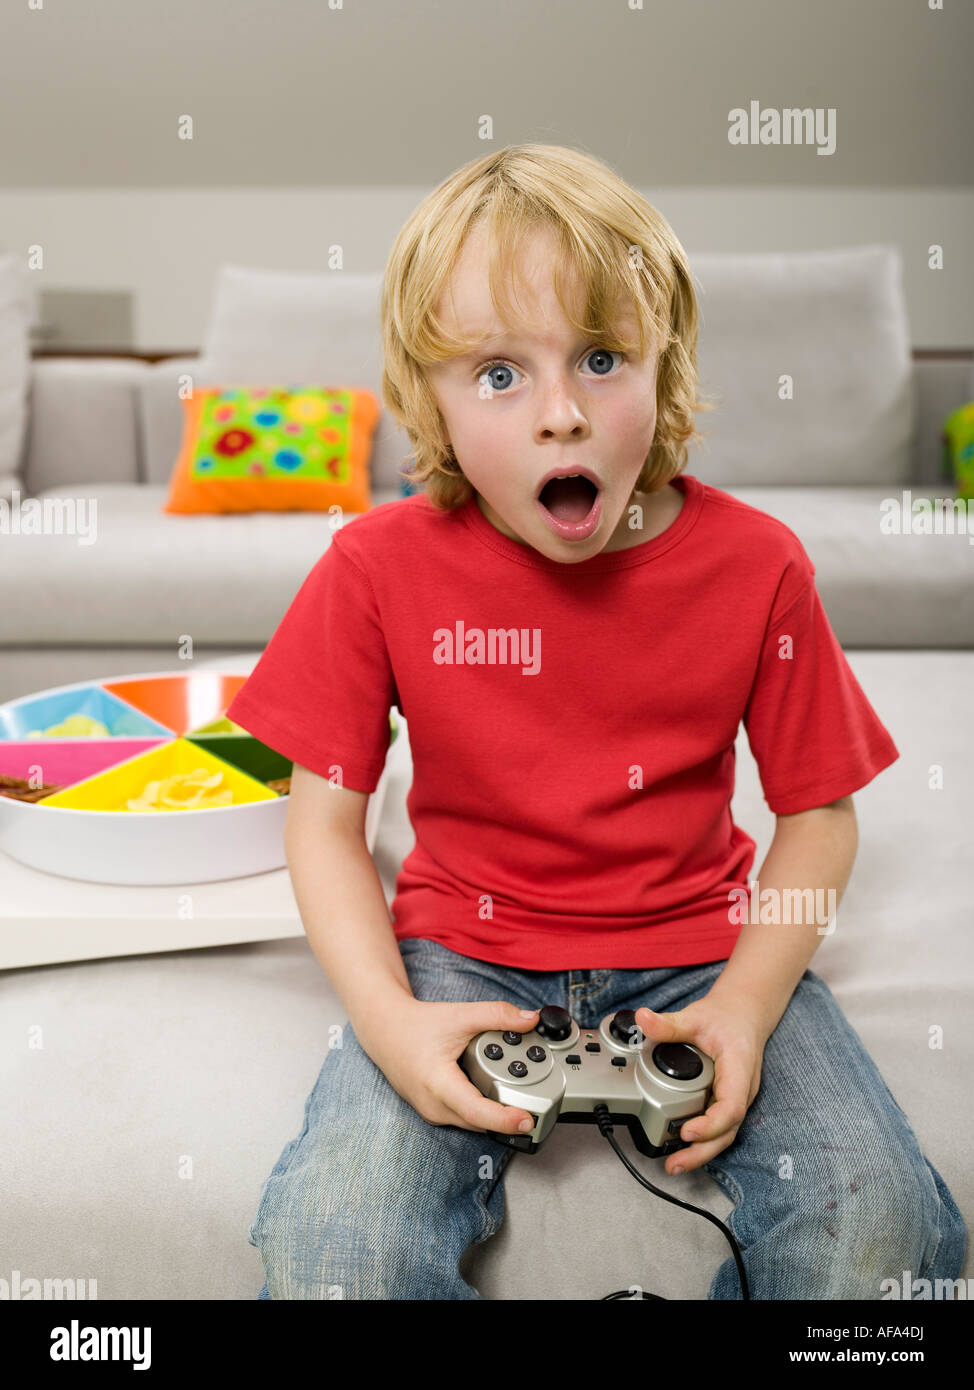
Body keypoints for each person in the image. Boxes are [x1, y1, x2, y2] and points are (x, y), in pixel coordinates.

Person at [226, 144, 966, 1300]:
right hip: (454, 950)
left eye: (602, 357)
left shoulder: (758, 565)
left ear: (664, 363)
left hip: (700, 947)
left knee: (875, 1237)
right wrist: (387, 1021)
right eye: (498, 374)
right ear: (428, 399)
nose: (562, 416)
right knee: (338, 1249)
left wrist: (743, 1006)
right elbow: (323, 825)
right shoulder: (372, 567)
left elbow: (817, 817)